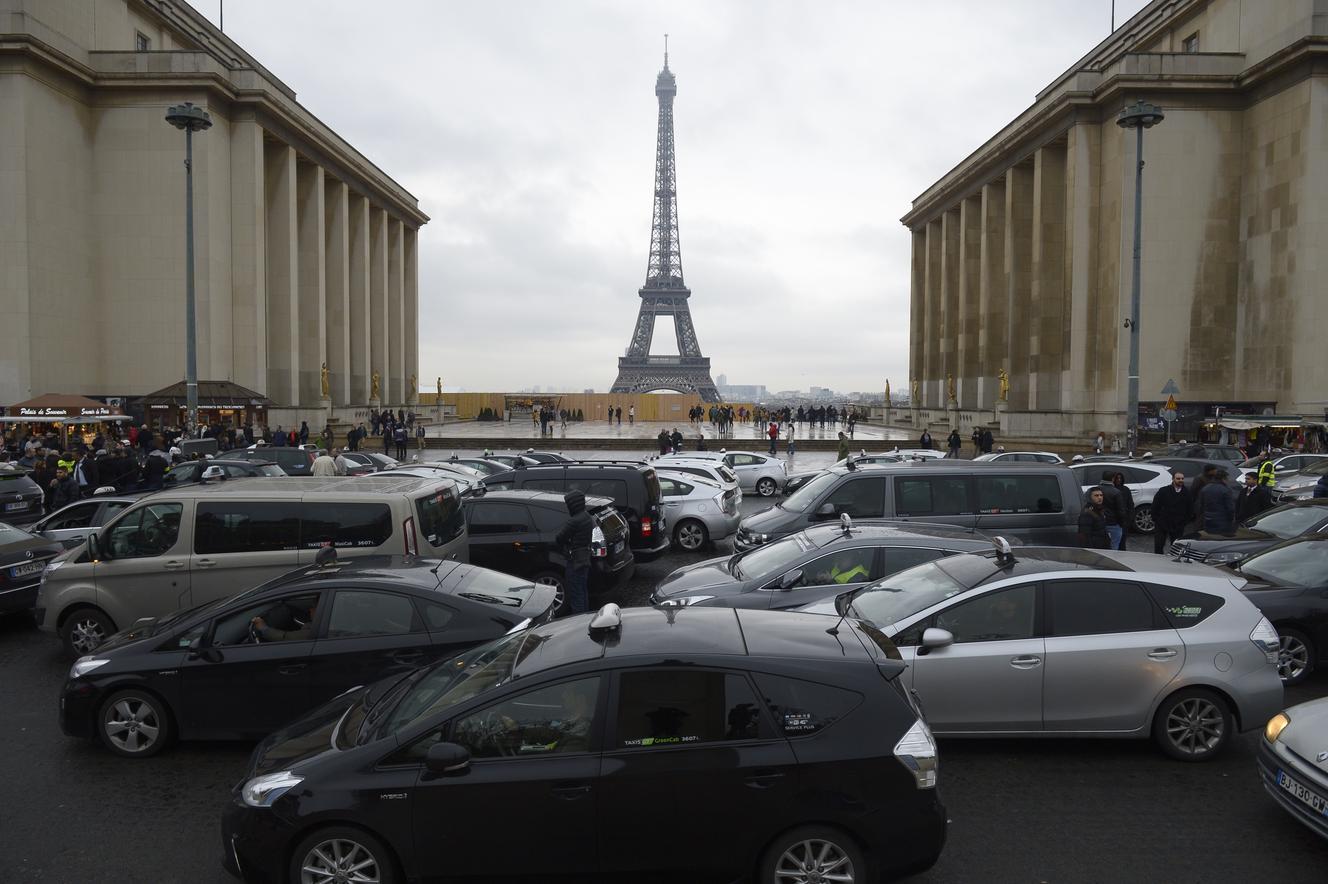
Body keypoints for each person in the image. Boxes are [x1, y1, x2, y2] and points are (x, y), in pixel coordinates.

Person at [554, 490, 593, 615]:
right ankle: (586, 616)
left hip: (575, 561)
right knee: (582, 591)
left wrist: (566, 544)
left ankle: (579, 620)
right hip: (585, 558)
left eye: (568, 504)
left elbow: (559, 538)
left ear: (573, 504)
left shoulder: (574, 521)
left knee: (576, 594)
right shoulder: (587, 516)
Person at [1151, 472, 1192, 554]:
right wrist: (1156, 518)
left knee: (1177, 546)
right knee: (1159, 544)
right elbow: (1155, 505)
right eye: (1178, 478)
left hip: (1178, 523)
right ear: (1173, 479)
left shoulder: (1187, 492)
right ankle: (1157, 559)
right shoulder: (1163, 490)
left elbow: (1190, 508)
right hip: (1162, 522)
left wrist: (1185, 521)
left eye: (1182, 478)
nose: (1181, 480)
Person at [251, 598, 317, 642]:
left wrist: (263, 628)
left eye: (313, 607)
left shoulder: (314, 631)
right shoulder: (318, 624)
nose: (310, 610)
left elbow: (285, 638)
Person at [1095, 471, 1128, 550]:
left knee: (1100, 546)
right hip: (1113, 523)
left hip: (1098, 522)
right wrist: (1122, 523)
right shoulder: (1116, 492)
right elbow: (1121, 510)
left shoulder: (1094, 490)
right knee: (1114, 545)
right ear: (1113, 479)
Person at [1199, 469, 1236, 535]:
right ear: (1223, 478)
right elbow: (1230, 508)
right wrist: (1231, 519)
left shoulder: (1205, 488)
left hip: (1207, 520)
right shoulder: (1225, 490)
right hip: (1222, 522)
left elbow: (1201, 505)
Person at [1110, 472, 1134, 550]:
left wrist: (1130, 518)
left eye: (1120, 478)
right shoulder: (1112, 489)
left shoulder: (1126, 489)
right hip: (1114, 519)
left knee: (1122, 540)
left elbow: (1130, 504)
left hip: (1124, 519)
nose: (1119, 480)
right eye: (1117, 478)